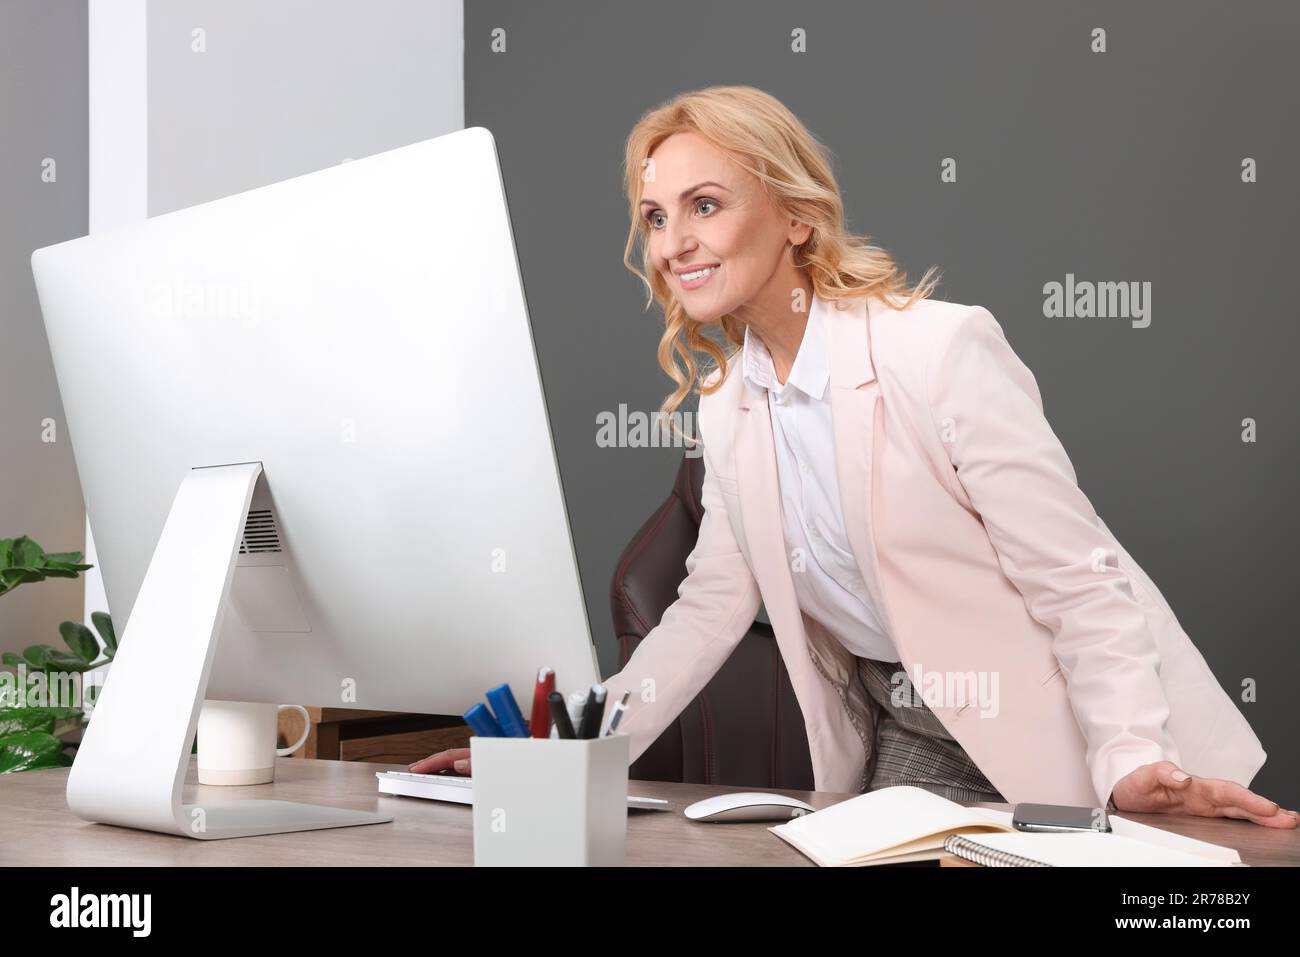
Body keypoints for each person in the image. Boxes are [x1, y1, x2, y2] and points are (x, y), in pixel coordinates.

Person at [412, 86, 1294, 827]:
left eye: (704, 205)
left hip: (1066, 725)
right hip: (911, 729)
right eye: (654, 216)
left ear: (796, 215)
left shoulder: (939, 354)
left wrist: (1131, 755)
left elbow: (1079, 580)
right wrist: (562, 754)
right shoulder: (728, 406)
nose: (672, 242)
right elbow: (707, 608)